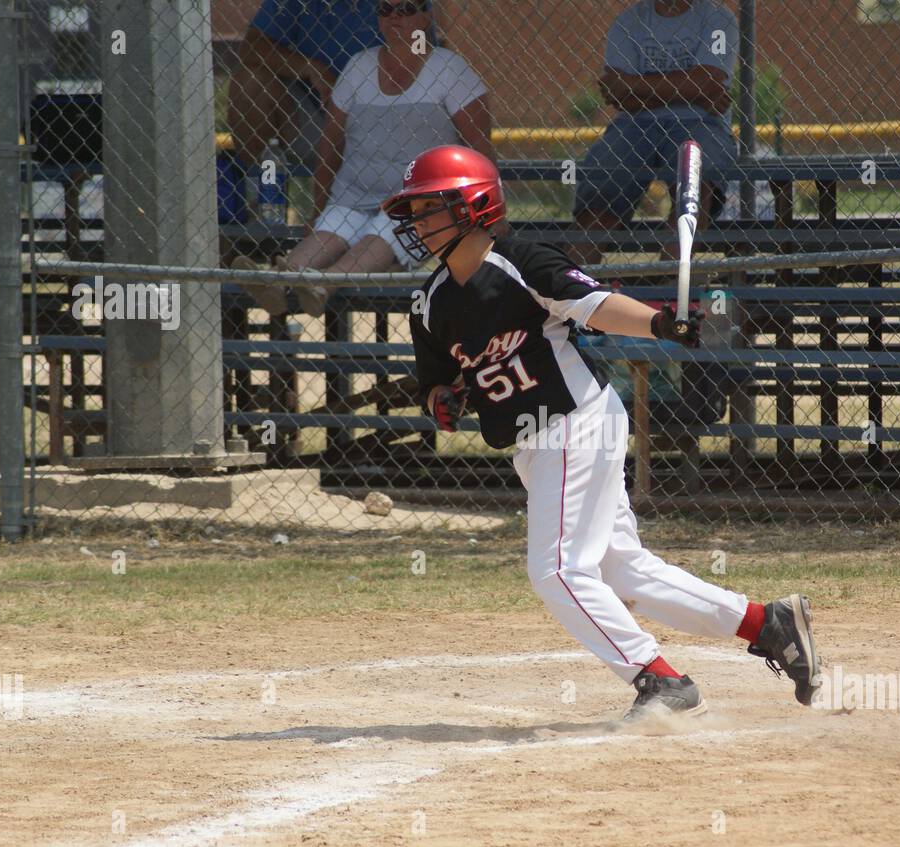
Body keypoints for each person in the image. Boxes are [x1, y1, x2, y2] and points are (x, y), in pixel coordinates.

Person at [381, 144, 822, 719]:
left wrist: (661, 324)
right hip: (535, 444)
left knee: (558, 571)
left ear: (473, 205)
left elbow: (595, 304)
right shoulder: (429, 302)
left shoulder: (521, 261)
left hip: (575, 423)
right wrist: (443, 400)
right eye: (413, 212)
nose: (416, 222)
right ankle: (770, 624)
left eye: (428, 208)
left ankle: (659, 678)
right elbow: (439, 379)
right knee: (622, 570)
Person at [235, 0, 492, 317]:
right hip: (354, 194)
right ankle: (277, 280)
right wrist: (319, 209)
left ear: (426, 16)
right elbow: (329, 143)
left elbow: (479, 144)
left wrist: (490, 208)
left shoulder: (450, 69)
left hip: (419, 199)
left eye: (406, 9)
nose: (394, 17)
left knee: (384, 232)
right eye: (385, 10)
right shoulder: (358, 66)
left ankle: (321, 285)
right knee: (330, 231)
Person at [570, 0, 737, 265]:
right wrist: (693, 91)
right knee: (603, 181)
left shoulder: (718, 20)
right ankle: (576, 291)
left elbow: (709, 81)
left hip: (700, 122)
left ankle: (671, 286)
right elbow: (617, 95)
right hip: (634, 124)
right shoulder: (627, 23)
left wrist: (635, 86)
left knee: (697, 182)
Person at [227, 0, 381, 173]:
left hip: (385, 121)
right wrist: (312, 68)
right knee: (249, 80)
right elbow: (251, 47)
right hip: (314, 118)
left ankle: (409, 192)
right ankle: (264, 188)